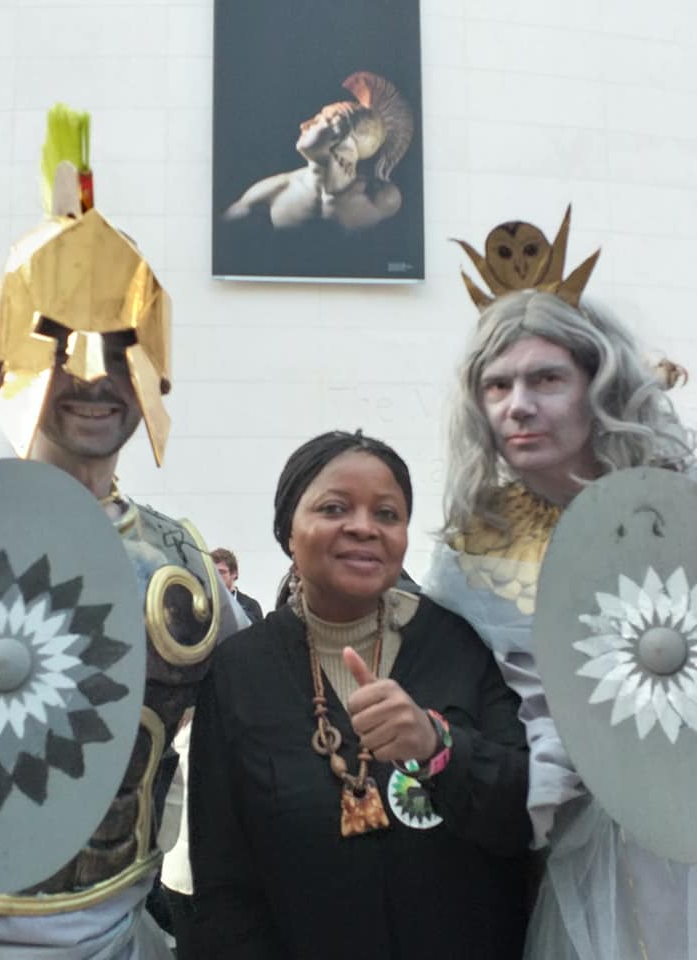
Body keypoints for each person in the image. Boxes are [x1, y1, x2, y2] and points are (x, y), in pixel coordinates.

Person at [0, 104, 246, 958]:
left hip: (128, 930)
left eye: (120, 346)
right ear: (8, 365)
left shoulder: (184, 566)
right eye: (60, 346)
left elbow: (277, 725)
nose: (94, 378)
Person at [423, 209, 695, 959]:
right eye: (497, 384)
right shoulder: (467, 554)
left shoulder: (682, 502)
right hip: (570, 851)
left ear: (595, 383)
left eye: (546, 378)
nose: (519, 405)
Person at [187, 429, 532, 959]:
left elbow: (523, 817)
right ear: (288, 532)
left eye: (388, 514)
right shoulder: (239, 670)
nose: (364, 528)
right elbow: (224, 880)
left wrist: (439, 747)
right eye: (334, 507)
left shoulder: (461, 643)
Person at [223, 71, 414, 231]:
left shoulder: (380, 198)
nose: (305, 125)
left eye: (321, 121)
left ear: (343, 141)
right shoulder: (274, 192)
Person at [211, 547, 264, 623]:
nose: (216, 576)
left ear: (234, 573)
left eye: (222, 572)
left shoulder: (250, 605)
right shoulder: (203, 603)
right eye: (213, 572)